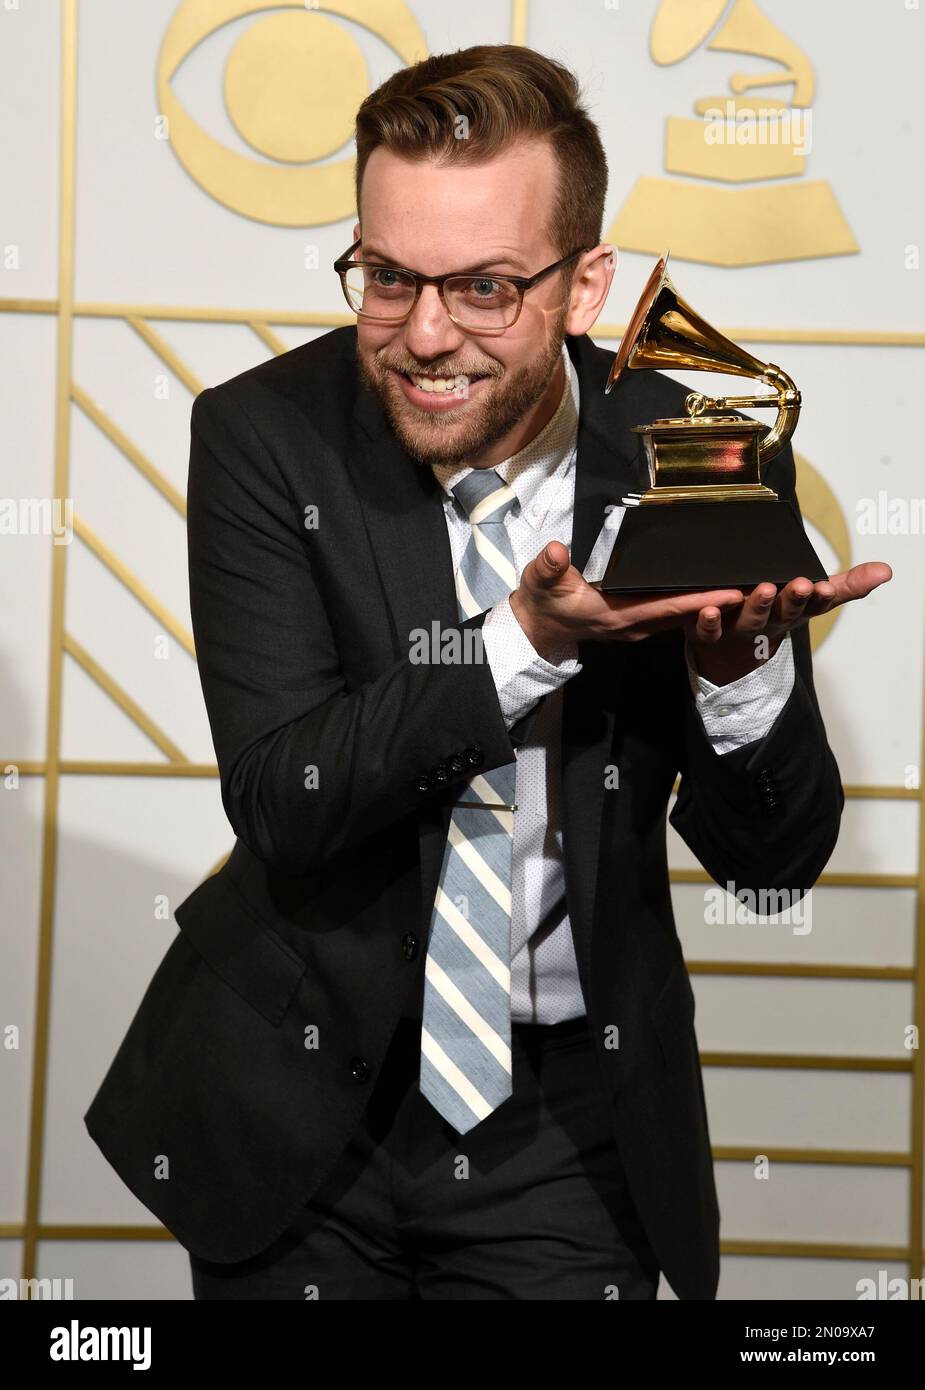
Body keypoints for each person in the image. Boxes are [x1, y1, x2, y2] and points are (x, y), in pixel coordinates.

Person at [84, 44, 890, 1301]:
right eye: (388, 276)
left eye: (485, 288)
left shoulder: (696, 452)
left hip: (568, 1125)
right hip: (297, 1104)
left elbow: (771, 866)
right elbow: (287, 798)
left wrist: (742, 680)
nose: (423, 334)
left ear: (585, 286)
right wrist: (529, 644)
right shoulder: (263, 438)